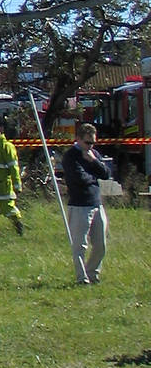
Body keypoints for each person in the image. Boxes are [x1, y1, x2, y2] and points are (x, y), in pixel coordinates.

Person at [61, 122, 112, 285]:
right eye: (87, 142)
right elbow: (79, 178)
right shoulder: (70, 156)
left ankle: (93, 274)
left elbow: (106, 174)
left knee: (101, 245)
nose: (90, 146)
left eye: (93, 142)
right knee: (80, 245)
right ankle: (82, 278)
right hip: (79, 206)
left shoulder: (93, 154)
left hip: (97, 204)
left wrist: (94, 161)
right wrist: (94, 177)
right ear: (78, 139)